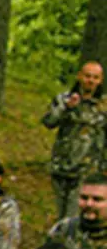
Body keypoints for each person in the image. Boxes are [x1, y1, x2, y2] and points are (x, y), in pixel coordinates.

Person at [42, 61, 107, 220]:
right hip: (61, 166)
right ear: (79, 76)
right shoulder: (64, 99)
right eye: (87, 76)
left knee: (75, 215)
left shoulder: (104, 106)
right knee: (61, 215)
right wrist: (66, 108)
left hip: (88, 169)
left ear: (101, 80)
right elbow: (49, 122)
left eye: (95, 77)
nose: (90, 80)